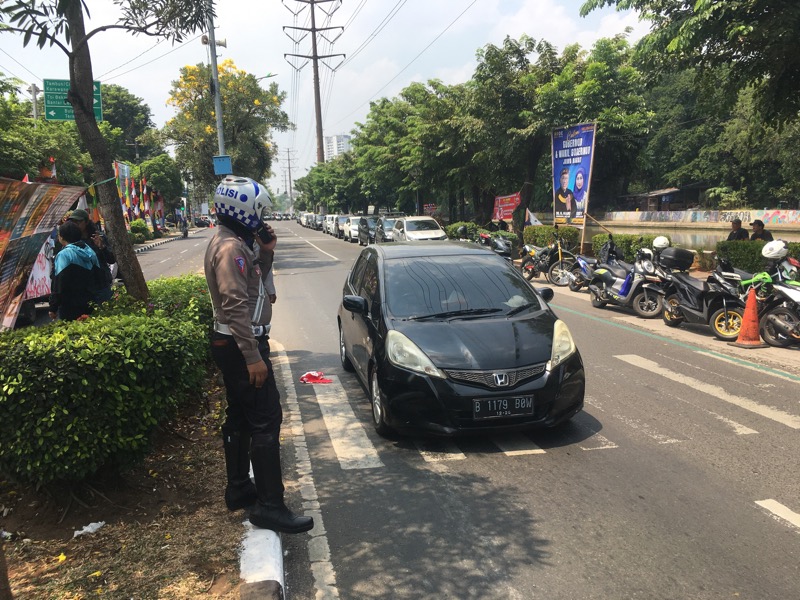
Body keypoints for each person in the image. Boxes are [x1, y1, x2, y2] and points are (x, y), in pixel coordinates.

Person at [204, 175, 313, 534]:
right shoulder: (231, 248)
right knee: (266, 418)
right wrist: (252, 356)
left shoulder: (234, 242)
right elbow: (235, 305)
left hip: (233, 343)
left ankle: (239, 488)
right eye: (259, 210)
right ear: (243, 210)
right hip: (240, 345)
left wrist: (266, 253)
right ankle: (270, 505)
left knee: (241, 415)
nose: (263, 217)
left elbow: (258, 288)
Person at [48, 220, 103, 321]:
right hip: (91, 304)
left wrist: (53, 307)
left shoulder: (64, 255)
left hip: (70, 308)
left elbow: (59, 284)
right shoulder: (89, 250)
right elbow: (99, 277)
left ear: (62, 237)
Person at [68, 208, 116, 303]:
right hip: (83, 288)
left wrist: (102, 247)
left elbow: (111, 259)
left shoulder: (98, 237)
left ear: (86, 222)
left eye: (78, 221)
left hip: (101, 285)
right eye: (73, 222)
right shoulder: (71, 242)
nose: (75, 224)